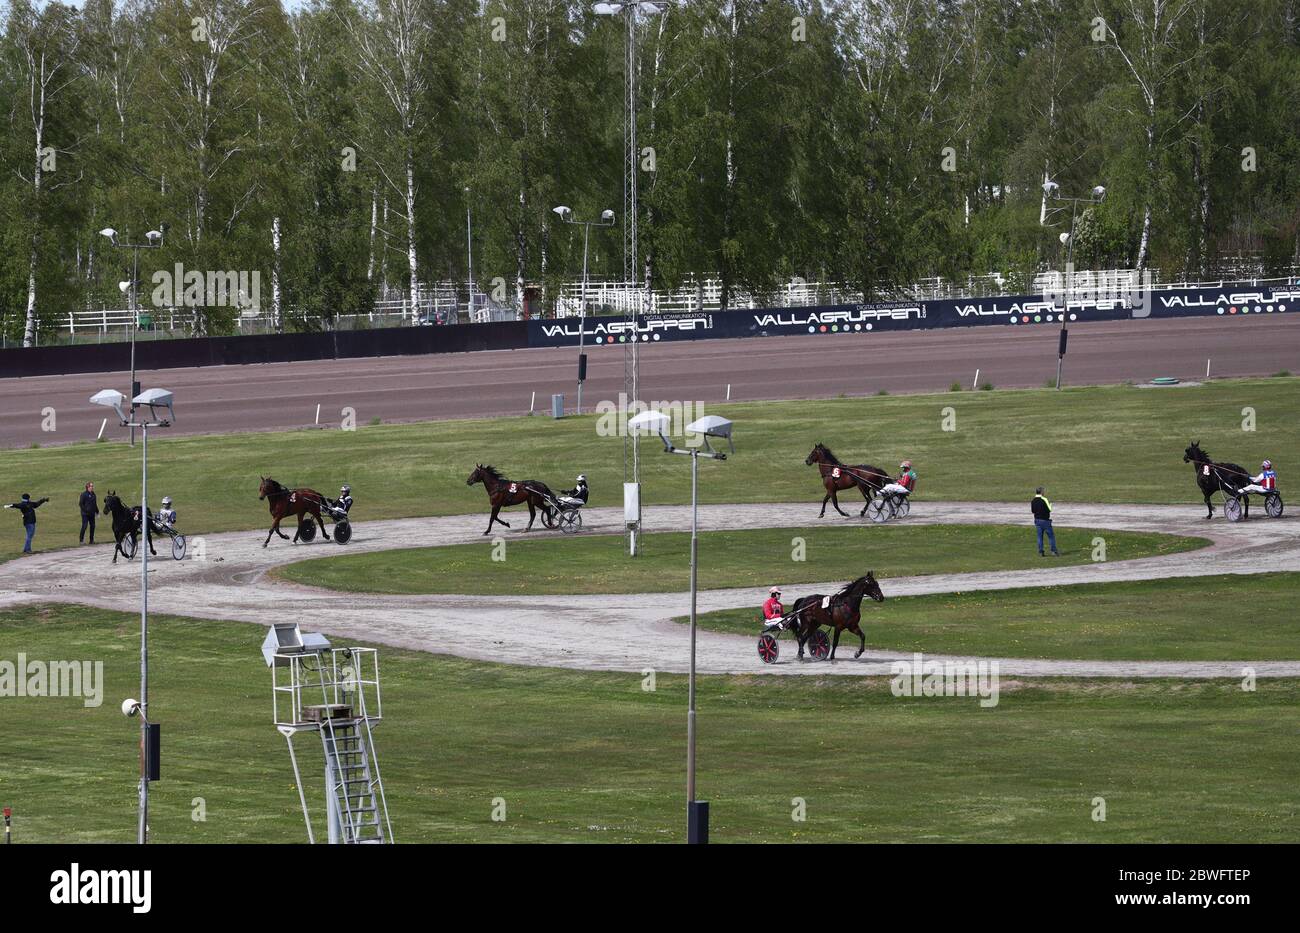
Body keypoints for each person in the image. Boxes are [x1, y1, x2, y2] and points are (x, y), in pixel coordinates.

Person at [1031, 486, 1059, 556]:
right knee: (1051, 536)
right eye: (1043, 491)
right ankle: (1053, 551)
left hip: (1037, 520)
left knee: (1039, 537)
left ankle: (1041, 551)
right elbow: (1049, 509)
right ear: (1041, 492)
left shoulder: (1033, 500)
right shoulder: (1044, 499)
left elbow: (1033, 511)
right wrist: (1051, 505)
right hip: (1045, 521)